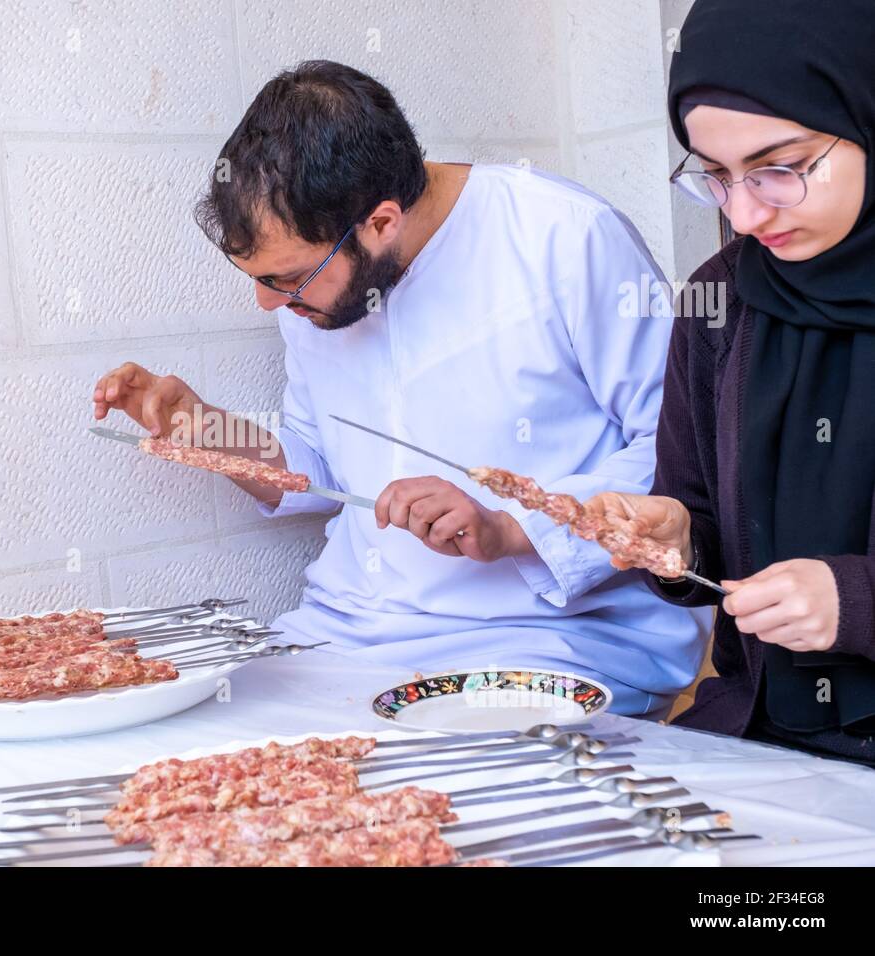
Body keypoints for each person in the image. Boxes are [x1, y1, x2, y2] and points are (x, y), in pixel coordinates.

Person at [94, 60, 706, 717]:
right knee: (189, 744)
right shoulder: (321, 291)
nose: (268, 303)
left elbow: (679, 456)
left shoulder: (564, 237)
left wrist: (508, 527)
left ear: (381, 223)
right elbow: (318, 466)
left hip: (551, 641)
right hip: (348, 632)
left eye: (286, 279)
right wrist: (203, 427)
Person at [584, 0, 875, 762]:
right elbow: (707, 527)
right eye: (716, 177)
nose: (744, 216)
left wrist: (856, 603)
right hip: (761, 736)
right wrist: (677, 539)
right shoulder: (721, 303)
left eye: (780, 169)